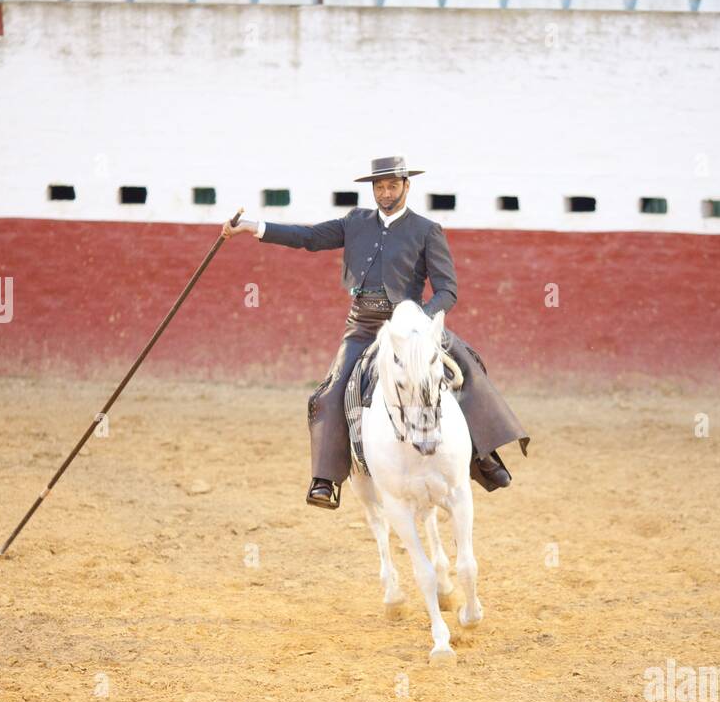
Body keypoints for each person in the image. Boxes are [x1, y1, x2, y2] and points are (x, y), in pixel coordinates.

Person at [223, 155, 529, 510]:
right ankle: (325, 478)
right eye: (379, 187)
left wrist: (420, 319)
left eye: (392, 185)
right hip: (363, 326)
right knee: (329, 392)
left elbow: (447, 290)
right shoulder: (355, 222)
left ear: (406, 186)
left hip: (410, 323)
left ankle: (483, 456)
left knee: (466, 366)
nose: (385, 192)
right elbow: (307, 237)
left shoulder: (427, 230)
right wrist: (250, 226)